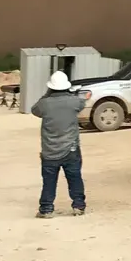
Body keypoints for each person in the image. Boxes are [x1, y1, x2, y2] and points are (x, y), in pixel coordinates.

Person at [30, 69, 86, 218]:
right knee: (75, 178)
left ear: (51, 87)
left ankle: (46, 209)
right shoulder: (74, 101)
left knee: (49, 181)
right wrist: (71, 93)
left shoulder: (44, 103)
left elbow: (34, 110)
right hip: (71, 148)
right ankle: (78, 206)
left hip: (50, 150)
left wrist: (46, 95)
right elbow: (82, 104)